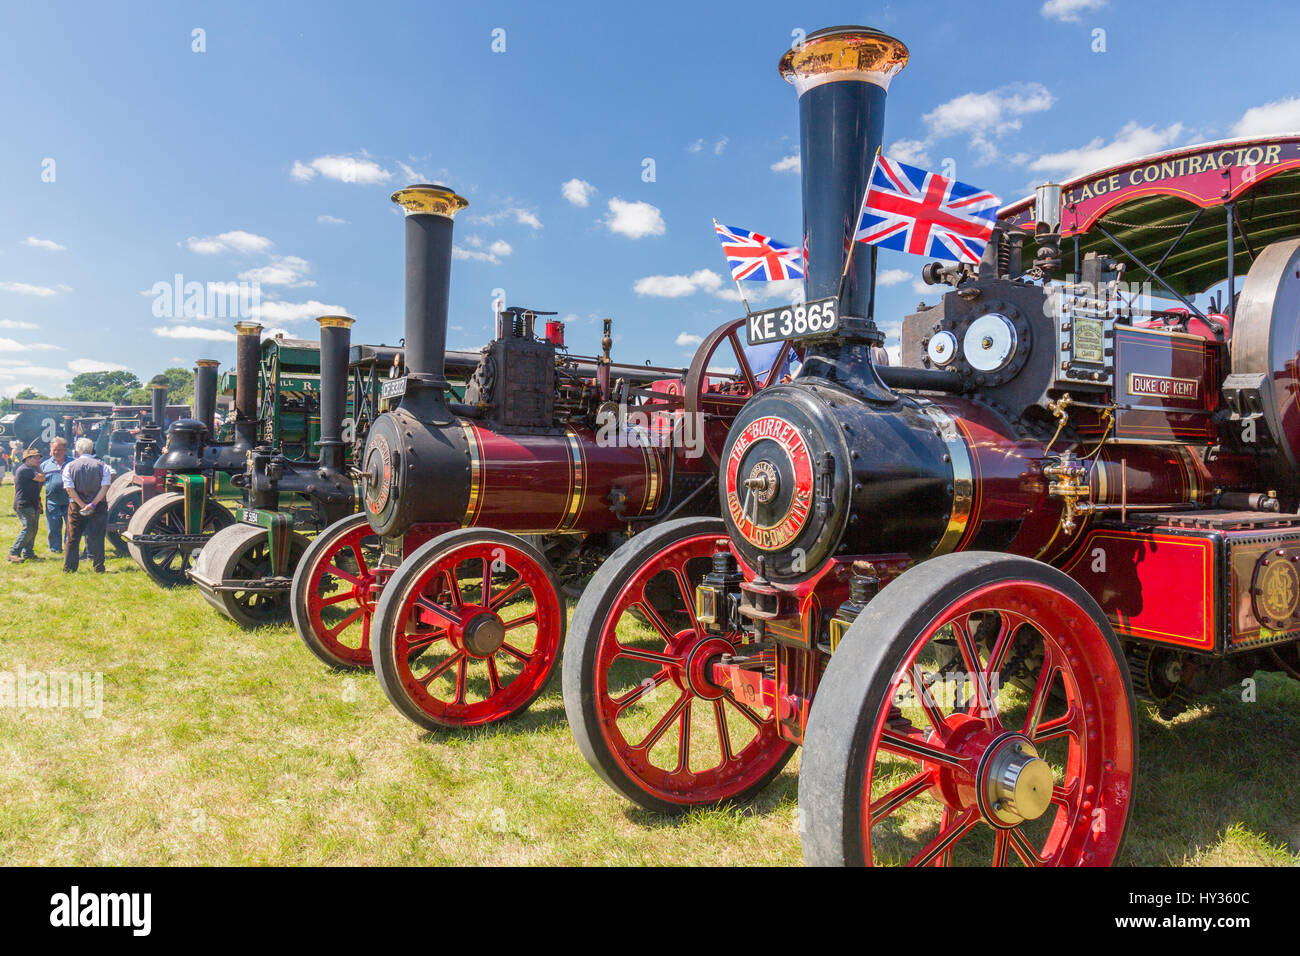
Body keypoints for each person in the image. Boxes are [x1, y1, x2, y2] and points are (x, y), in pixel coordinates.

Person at [62, 437, 112, 573]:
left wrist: (82, 504)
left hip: (75, 506)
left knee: (72, 537)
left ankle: (69, 568)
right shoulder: (103, 466)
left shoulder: (69, 466)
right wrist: (93, 504)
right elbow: (105, 487)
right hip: (98, 506)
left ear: (77, 451)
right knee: (97, 537)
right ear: (91, 450)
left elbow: (69, 489)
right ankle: (99, 567)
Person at [9, 447, 45, 563]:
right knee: (28, 528)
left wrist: (38, 503)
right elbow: (42, 478)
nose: (38, 460)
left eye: (39, 458)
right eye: (35, 457)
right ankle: (14, 552)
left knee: (33, 529)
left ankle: (28, 553)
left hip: (32, 503)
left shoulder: (29, 469)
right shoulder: (25, 470)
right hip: (24, 504)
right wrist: (39, 468)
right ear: (27, 458)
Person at [41, 437, 70, 554]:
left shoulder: (72, 463)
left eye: (59, 450)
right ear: (50, 450)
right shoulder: (44, 465)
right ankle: (55, 549)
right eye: (54, 450)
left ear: (65, 450)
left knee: (70, 527)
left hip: (69, 501)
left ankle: (69, 547)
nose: (56, 452)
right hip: (52, 502)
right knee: (53, 527)